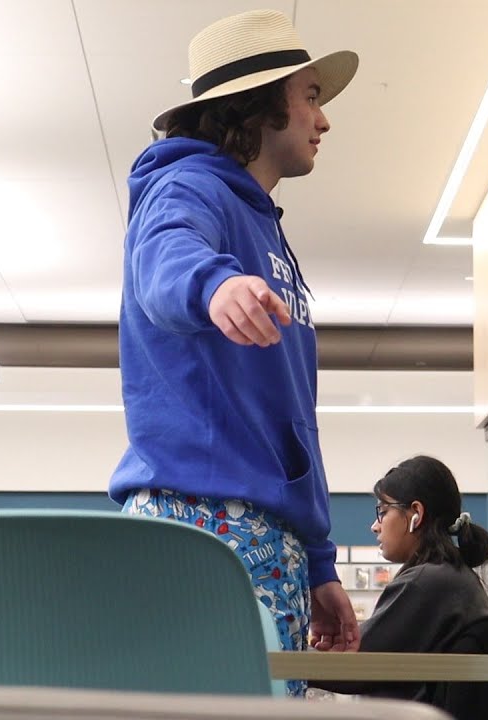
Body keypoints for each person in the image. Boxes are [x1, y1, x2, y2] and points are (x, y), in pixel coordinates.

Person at [107, 9, 361, 694]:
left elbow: (286, 412)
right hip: (204, 521)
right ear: (260, 102)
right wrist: (212, 284)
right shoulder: (186, 186)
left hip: (258, 529)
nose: (324, 119)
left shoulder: (263, 229)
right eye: (311, 96)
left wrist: (318, 562)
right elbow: (164, 255)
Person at [317, 456, 488, 719]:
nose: (375, 526)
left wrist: (295, 659)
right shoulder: (451, 574)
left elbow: (354, 669)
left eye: (382, 511)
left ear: (416, 514)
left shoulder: (425, 582)